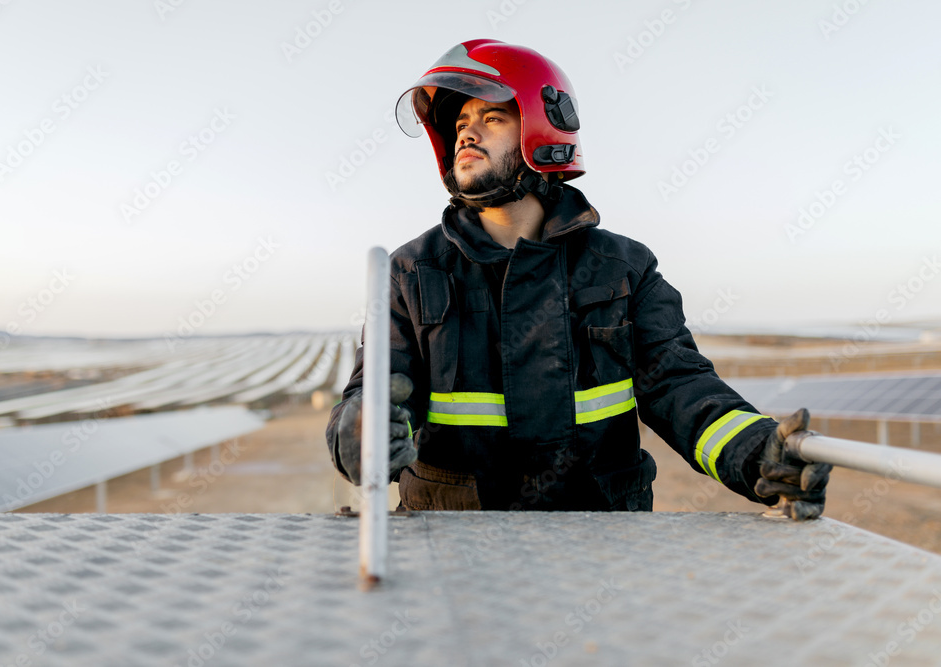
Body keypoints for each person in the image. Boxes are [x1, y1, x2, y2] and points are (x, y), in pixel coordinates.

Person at [326, 39, 831, 519]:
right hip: (448, 547)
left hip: (600, 549)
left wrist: (756, 452)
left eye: (491, 116)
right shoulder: (410, 271)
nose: (466, 132)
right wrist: (360, 433)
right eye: (459, 121)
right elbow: (378, 392)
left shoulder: (626, 269)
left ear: (544, 129)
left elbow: (678, 385)